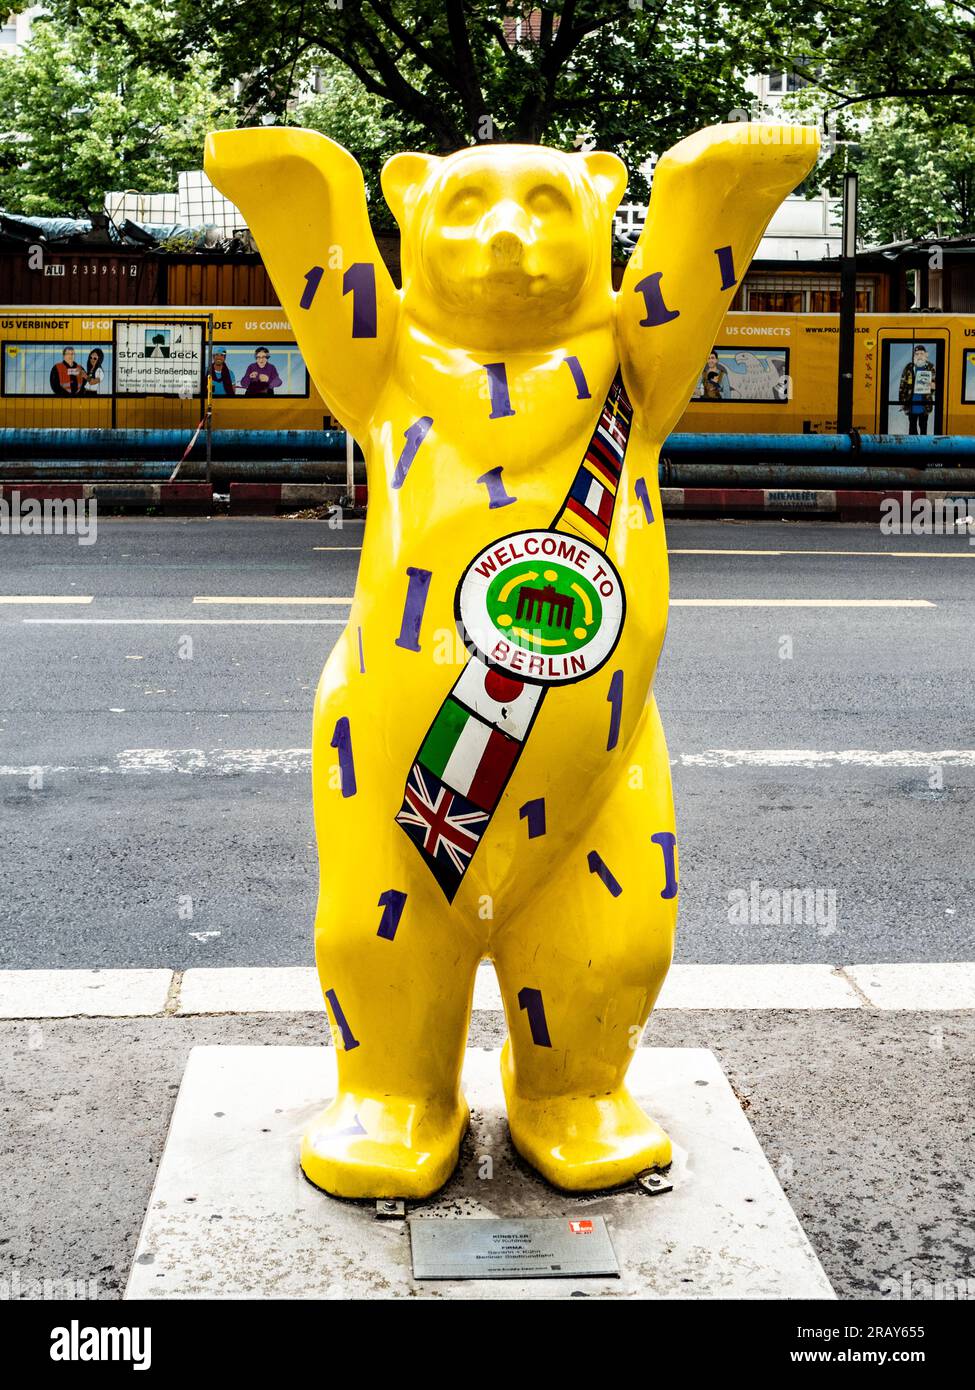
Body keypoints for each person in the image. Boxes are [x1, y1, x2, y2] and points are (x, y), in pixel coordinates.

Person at [899, 344, 936, 435]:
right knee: (912, 427)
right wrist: (902, 402)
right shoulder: (909, 367)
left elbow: (936, 385)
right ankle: (912, 447)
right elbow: (902, 386)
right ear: (914, 356)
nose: (919, 356)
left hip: (925, 403)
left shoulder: (931, 367)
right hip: (911, 403)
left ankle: (924, 448)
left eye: (921, 353)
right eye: (917, 354)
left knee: (923, 427)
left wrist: (933, 386)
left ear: (926, 355)